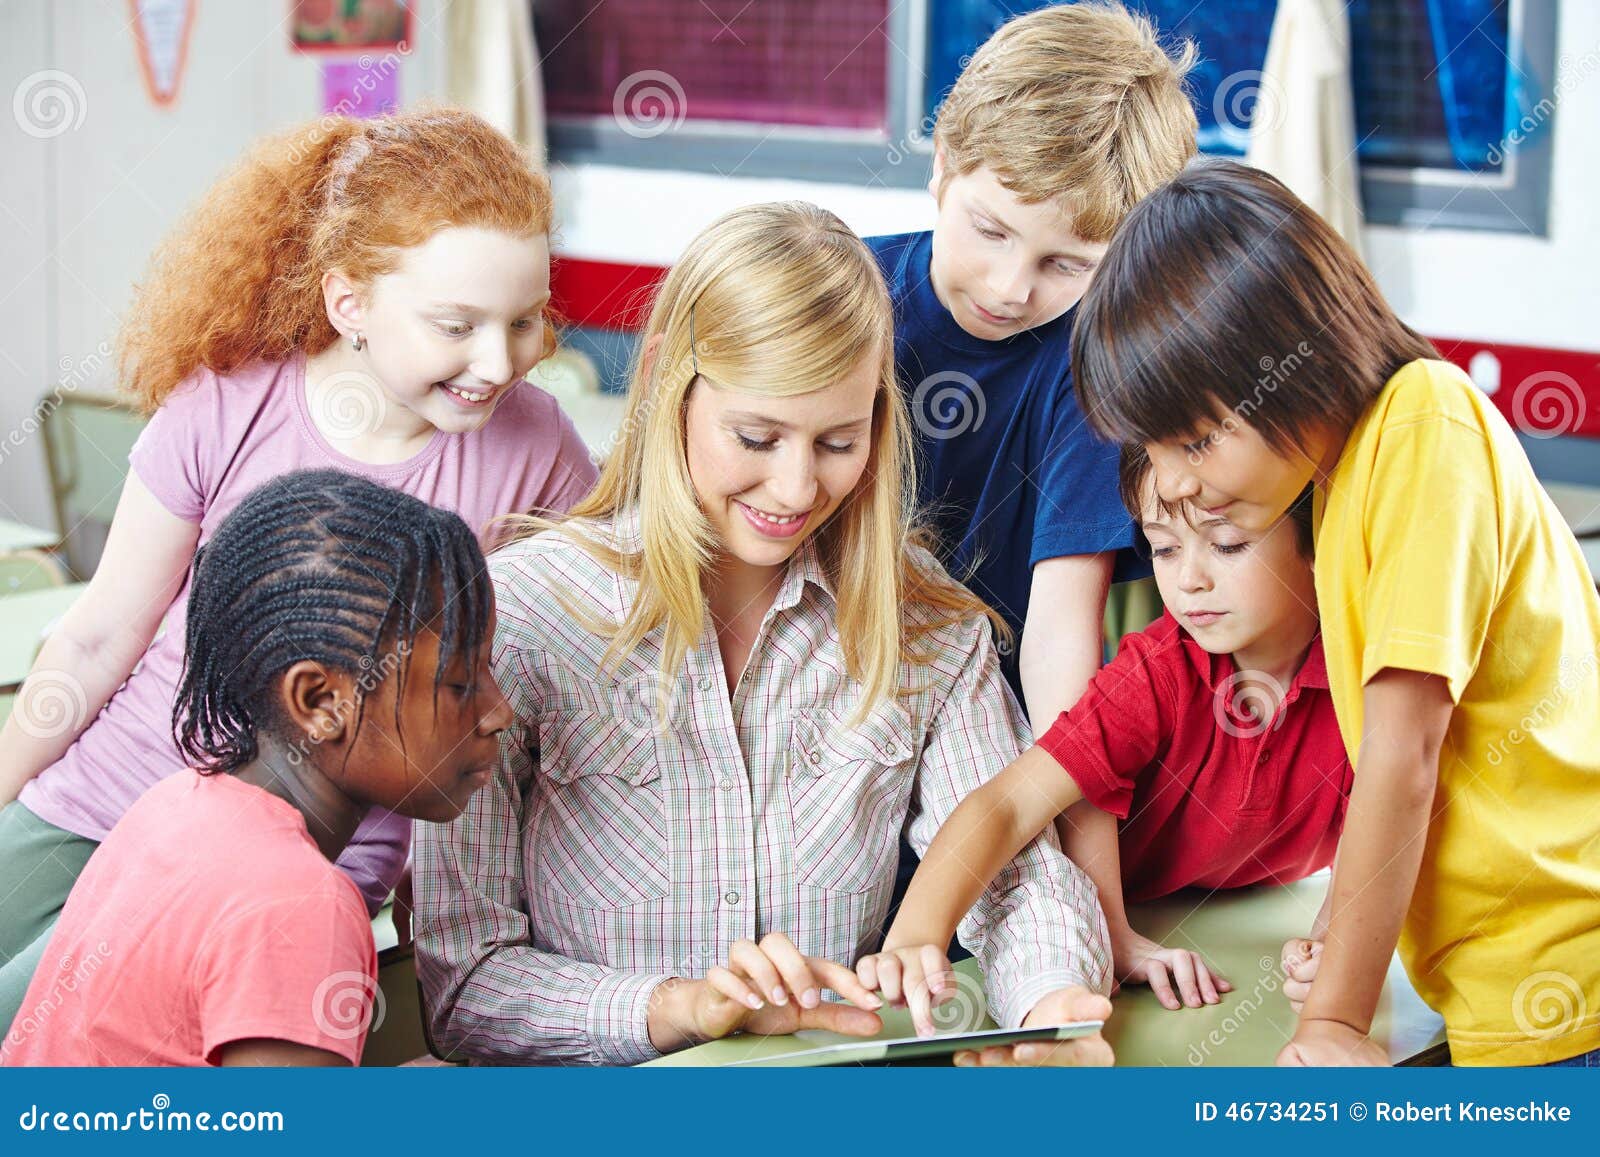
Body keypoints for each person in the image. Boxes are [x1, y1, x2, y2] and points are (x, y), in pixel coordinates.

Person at [416, 202, 1114, 1067]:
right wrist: (682, 1008)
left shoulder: (925, 623)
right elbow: (466, 986)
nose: (793, 488)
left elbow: (1019, 882)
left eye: (836, 442)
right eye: (756, 435)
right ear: (674, 386)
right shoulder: (521, 617)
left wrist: (1052, 1005)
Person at [0, 108, 597, 1029]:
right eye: (457, 324)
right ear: (348, 301)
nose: (499, 361)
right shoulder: (231, 401)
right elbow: (95, 634)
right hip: (98, 800)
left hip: (296, 859)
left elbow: (530, 683)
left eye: (525, 322)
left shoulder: (540, 450)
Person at [1073, 157, 1600, 1067]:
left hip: (1563, 972)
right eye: (1160, 447)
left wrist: (1334, 1025)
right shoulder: (1341, 476)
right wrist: (1340, 928)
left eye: (1197, 439)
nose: (1181, 482)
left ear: (1298, 364)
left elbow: (1402, 753)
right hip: (1493, 983)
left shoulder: (1422, 426)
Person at [2, 471, 511, 1066]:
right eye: (459, 684)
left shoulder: (175, 802)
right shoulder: (301, 909)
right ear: (321, 704)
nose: (498, 711)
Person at [865, 444, 1350, 1020]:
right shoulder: (1158, 673)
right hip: (1109, 914)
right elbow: (1007, 805)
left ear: (1323, 538)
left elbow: (1388, 830)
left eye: (1227, 545)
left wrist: (1333, 946)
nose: (1189, 579)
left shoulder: (1368, 676)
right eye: (1164, 549)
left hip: (1258, 913)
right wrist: (918, 932)